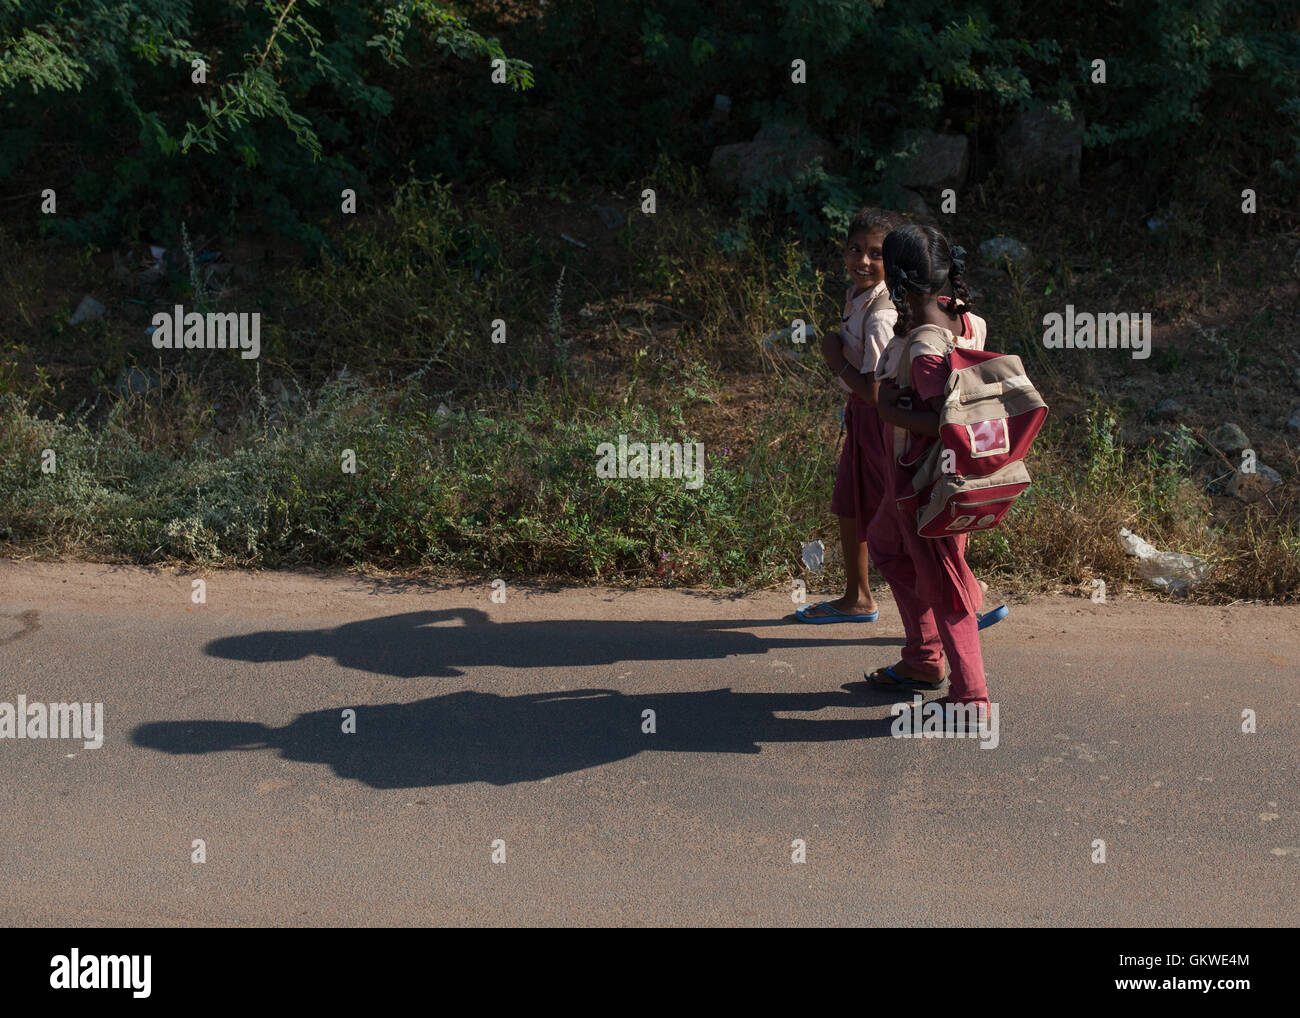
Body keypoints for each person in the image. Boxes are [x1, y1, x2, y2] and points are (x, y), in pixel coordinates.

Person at [866, 224, 994, 730]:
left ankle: (972, 699)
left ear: (898, 285)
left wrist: (889, 412)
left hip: (922, 484)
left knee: (946, 584)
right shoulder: (969, 321)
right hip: (938, 481)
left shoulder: (923, 346)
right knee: (886, 545)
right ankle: (923, 655)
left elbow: (947, 421)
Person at [799, 207, 902, 624]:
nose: (863, 261)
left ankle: (960, 598)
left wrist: (834, 359)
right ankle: (858, 596)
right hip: (861, 420)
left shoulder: (881, 314)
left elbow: (877, 392)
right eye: (855, 250)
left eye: (876, 254)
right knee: (850, 507)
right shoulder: (860, 297)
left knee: (897, 512)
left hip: (881, 424)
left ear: (891, 261)